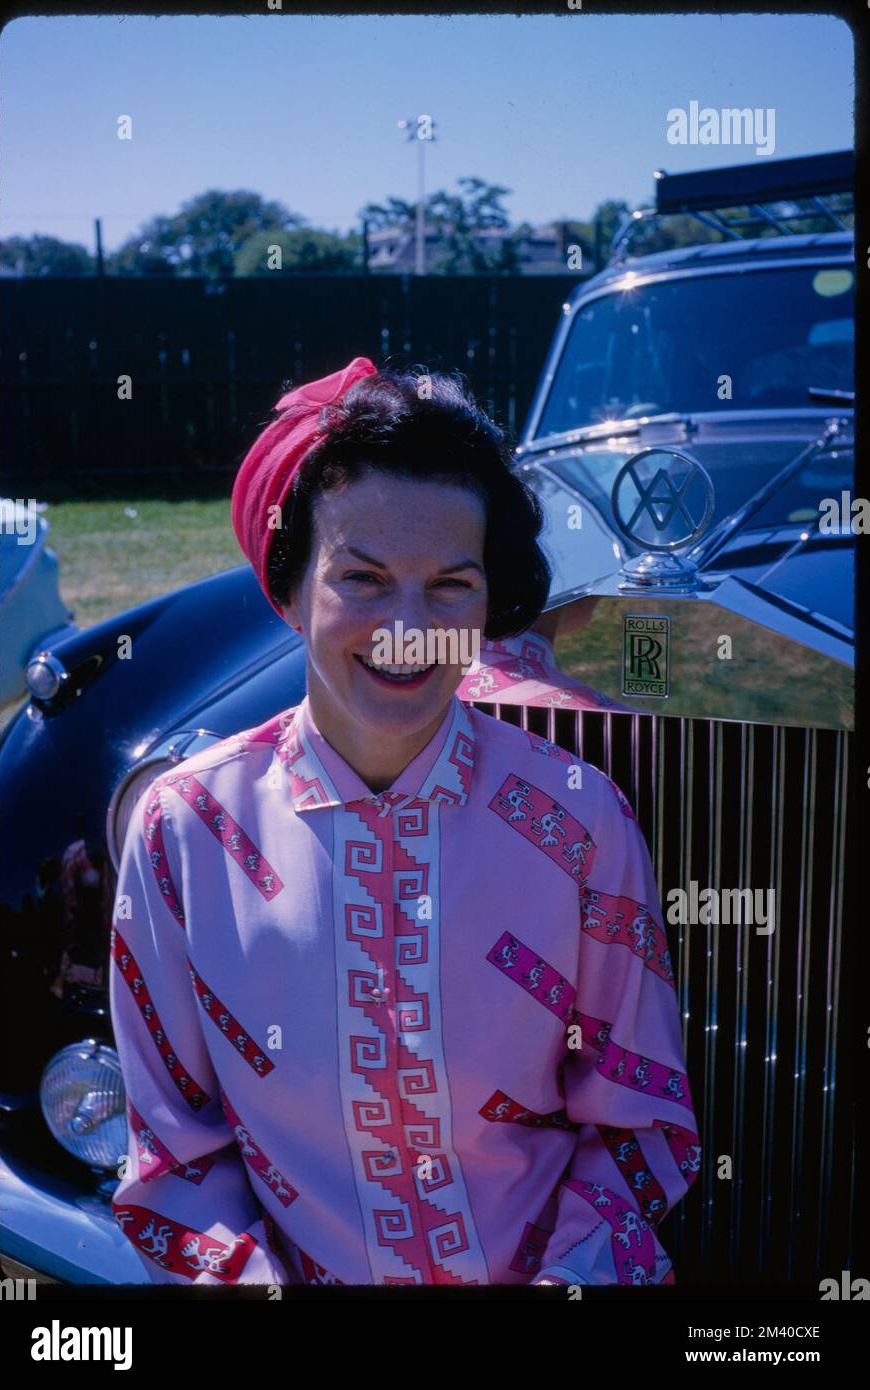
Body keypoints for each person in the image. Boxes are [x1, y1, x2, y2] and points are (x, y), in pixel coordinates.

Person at [109, 356, 700, 1286]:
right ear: (292, 585)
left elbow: (635, 1124)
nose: (410, 627)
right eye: (364, 579)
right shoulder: (183, 830)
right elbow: (178, 1160)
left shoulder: (579, 821)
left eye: (452, 586)